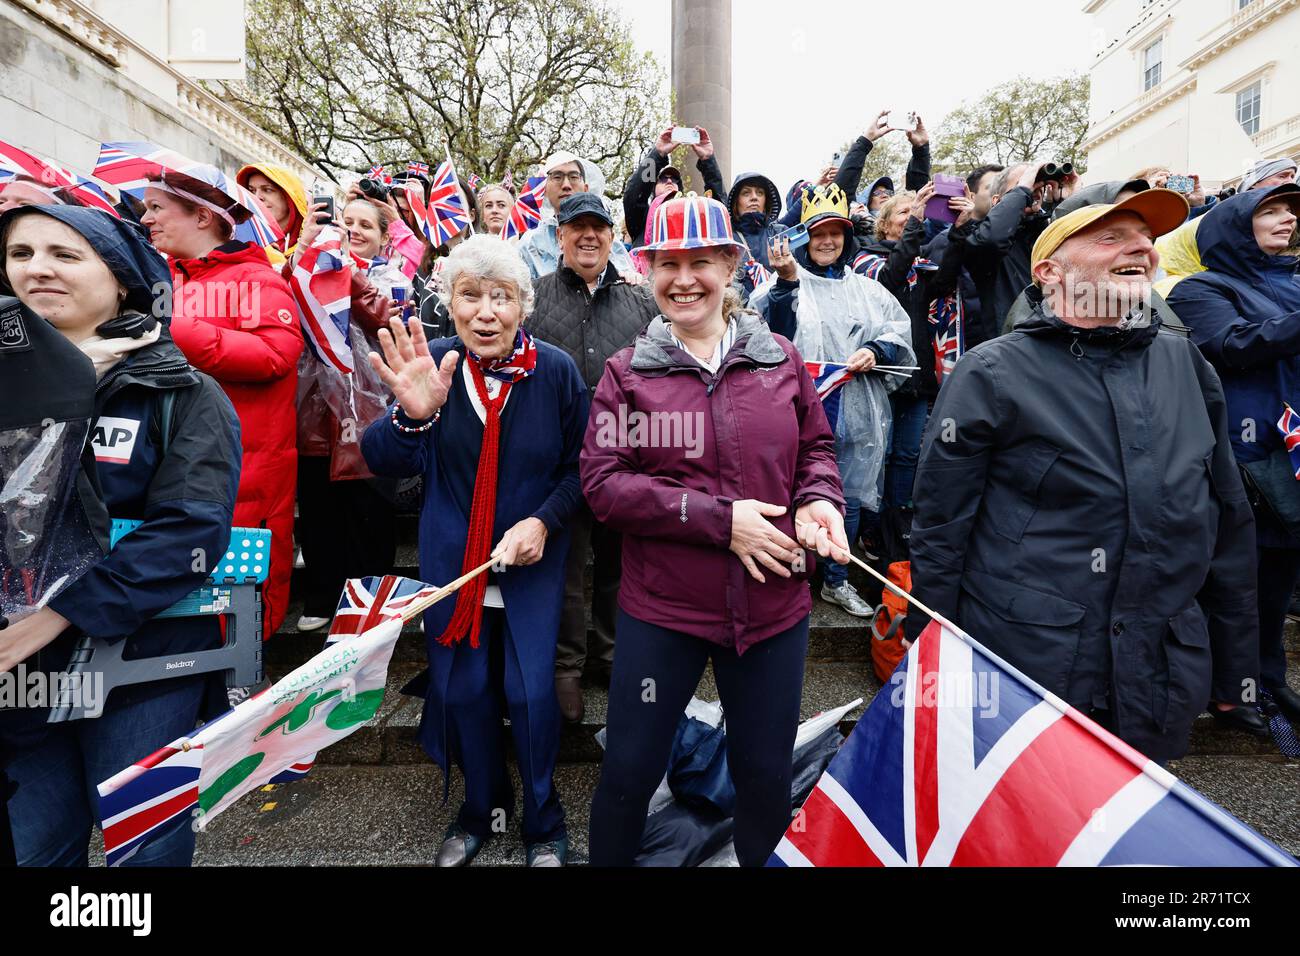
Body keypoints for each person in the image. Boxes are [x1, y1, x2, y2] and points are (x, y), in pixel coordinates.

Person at [906, 190, 1261, 763]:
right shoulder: (991, 372)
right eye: (1111, 236)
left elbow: (1227, 518)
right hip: (1032, 663)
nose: (1141, 247)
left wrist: (1236, 667)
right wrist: (933, 649)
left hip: (1161, 671)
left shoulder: (1186, 363)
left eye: (1145, 238)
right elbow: (941, 528)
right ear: (1049, 271)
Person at [582, 195, 849, 867]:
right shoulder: (626, 374)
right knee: (629, 776)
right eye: (667, 263)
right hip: (661, 612)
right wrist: (718, 521)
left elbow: (816, 448)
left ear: (732, 263)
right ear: (646, 271)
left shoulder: (780, 360)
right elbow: (605, 485)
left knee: (763, 781)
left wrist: (819, 499)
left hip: (771, 609)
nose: (683, 279)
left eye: (701, 261)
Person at [0, 204, 240, 865]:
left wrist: (54, 617)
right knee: (35, 851)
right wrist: (54, 391)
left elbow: (189, 532)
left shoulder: (184, 394)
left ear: (123, 280)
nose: (38, 268)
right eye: (21, 254)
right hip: (16, 677)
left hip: (144, 669)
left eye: (65, 254)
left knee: (146, 854)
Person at [361, 235, 588, 868]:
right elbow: (381, 459)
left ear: (523, 307)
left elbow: (581, 470)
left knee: (530, 695)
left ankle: (544, 818)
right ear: (451, 305)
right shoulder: (435, 364)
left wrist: (543, 521)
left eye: (501, 297)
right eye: (470, 296)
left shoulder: (558, 372)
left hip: (531, 564)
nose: (485, 312)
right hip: (452, 563)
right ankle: (480, 807)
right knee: (462, 694)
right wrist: (413, 417)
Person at [141, 168, 302, 637]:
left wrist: (176, 330)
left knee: (239, 589)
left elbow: (277, 355)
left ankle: (244, 676)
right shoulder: (161, 278)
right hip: (170, 460)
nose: (146, 218)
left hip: (241, 468)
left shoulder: (256, 278)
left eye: (157, 208)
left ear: (204, 217)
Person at [1166, 184, 1300, 729]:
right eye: (1271, 208)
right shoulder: (1199, 289)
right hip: (1247, 456)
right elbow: (1233, 345)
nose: (1288, 217)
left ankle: (1267, 680)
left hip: (1293, 453)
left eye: (1291, 209)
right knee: (1240, 579)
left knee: (1280, 578)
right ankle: (1231, 689)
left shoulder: (1292, 282)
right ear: (1235, 224)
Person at [751, 184, 914, 616]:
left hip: (857, 409)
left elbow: (898, 333)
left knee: (850, 494)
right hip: (797, 410)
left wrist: (877, 351)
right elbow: (768, 333)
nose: (827, 241)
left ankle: (838, 580)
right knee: (792, 494)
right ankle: (795, 578)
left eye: (836, 232)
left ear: (846, 237)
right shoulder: (784, 280)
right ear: (806, 234)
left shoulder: (868, 289)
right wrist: (785, 287)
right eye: (819, 231)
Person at [527, 193, 658, 722]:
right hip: (559, 462)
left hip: (625, 458)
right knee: (566, 569)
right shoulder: (533, 297)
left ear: (612, 236)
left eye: (598, 228)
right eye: (576, 227)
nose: (588, 236)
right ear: (559, 236)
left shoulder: (641, 302)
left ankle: (611, 656)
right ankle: (566, 667)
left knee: (618, 566)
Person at [288, 195, 405, 632]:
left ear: (382, 238)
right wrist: (308, 259)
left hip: (371, 413)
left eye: (365, 225)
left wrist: (345, 274)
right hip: (315, 415)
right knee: (319, 510)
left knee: (369, 513)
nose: (354, 230)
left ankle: (373, 602)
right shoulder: (304, 267)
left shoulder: (394, 279)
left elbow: (388, 321)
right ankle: (322, 595)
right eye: (346, 222)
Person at [854, 183, 976, 516]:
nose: (913, 217)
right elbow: (891, 278)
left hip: (917, 369)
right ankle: (872, 526)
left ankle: (899, 522)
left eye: (915, 211)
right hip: (881, 369)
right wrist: (916, 225)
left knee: (908, 454)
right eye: (904, 213)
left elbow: (943, 283)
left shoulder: (920, 260)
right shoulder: (867, 258)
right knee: (881, 450)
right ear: (885, 222)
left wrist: (960, 231)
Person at [956, 159, 1079, 338]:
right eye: (1025, 183)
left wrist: (1071, 202)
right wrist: (1023, 190)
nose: (1033, 189)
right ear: (998, 201)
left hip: (1060, 343)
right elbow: (992, 241)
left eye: (1038, 185)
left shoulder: (1046, 232)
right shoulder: (981, 237)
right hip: (1011, 347)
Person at [782, 109, 933, 226]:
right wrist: (865, 141)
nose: (885, 195)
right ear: (865, 201)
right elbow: (841, 194)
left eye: (888, 191)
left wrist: (921, 151)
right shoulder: (855, 231)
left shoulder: (907, 228)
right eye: (878, 192)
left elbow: (915, 200)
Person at [517, 151, 635, 280]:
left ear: (585, 188)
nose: (566, 185)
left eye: (573, 177)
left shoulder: (605, 240)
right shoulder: (530, 244)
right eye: (557, 177)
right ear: (544, 190)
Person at [622, 126, 726, 251]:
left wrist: (708, 160)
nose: (670, 181)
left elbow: (718, 210)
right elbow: (634, 193)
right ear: (652, 189)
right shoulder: (641, 220)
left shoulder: (693, 217)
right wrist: (657, 154)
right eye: (663, 179)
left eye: (675, 179)